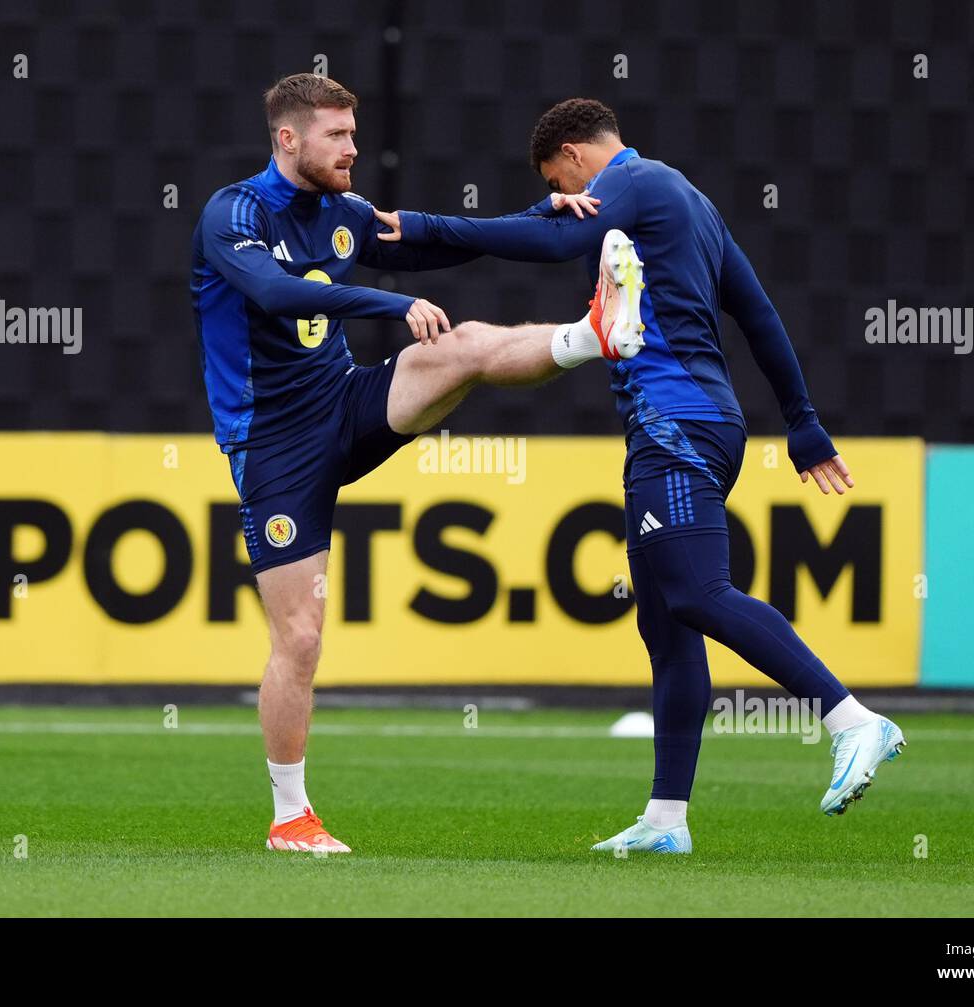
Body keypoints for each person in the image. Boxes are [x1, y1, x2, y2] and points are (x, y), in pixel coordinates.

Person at [375, 98, 906, 853]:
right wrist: (803, 421)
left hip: (675, 422)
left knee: (697, 592)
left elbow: (549, 241)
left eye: (562, 181)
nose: (571, 201)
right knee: (665, 621)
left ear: (575, 155)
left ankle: (852, 719)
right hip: (697, 423)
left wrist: (425, 227)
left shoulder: (638, 183)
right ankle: (666, 820)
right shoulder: (691, 202)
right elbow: (759, 315)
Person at [190, 76, 646, 853]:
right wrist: (388, 306)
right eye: (336, 135)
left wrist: (542, 213)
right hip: (271, 444)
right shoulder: (232, 212)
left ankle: (594, 332)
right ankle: (290, 817)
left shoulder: (342, 213)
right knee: (300, 638)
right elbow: (271, 293)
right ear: (288, 139)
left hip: (344, 403)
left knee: (462, 345)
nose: (353, 148)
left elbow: (439, 242)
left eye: (354, 133)